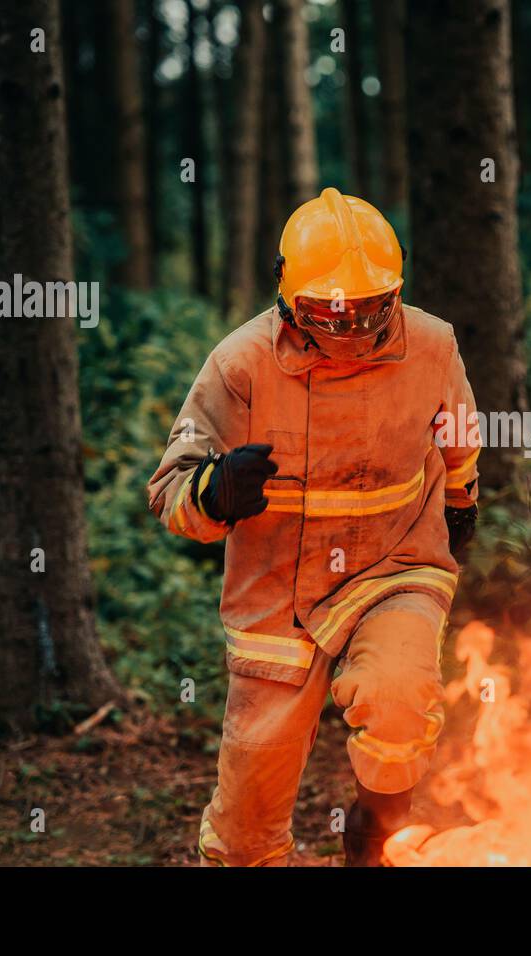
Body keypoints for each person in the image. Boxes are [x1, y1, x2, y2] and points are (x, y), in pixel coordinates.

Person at [147, 187, 482, 866]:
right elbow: (169, 490)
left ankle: (378, 836)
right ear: (287, 296)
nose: (350, 333)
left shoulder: (432, 346)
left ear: (395, 292)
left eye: (367, 313)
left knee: (398, 696)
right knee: (245, 832)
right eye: (330, 315)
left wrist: (461, 500)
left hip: (396, 566)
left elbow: (459, 435)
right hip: (277, 599)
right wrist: (216, 493)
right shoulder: (240, 363)